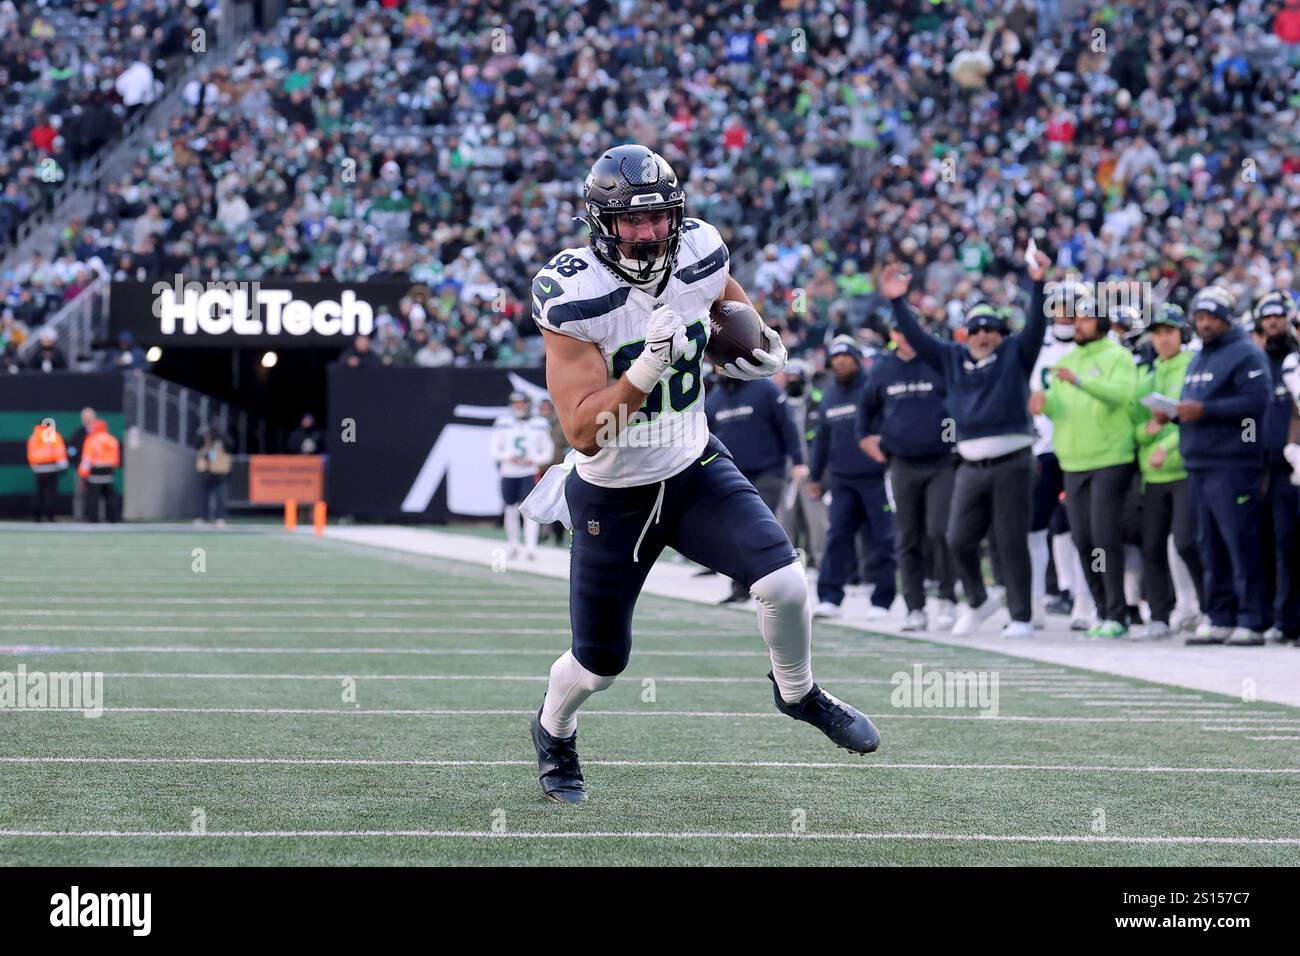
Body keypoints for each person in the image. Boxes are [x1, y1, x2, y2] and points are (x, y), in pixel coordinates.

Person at [528, 145, 878, 802]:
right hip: (613, 488)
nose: (650, 232)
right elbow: (581, 428)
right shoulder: (572, 293)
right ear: (600, 223)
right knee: (600, 664)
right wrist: (646, 368)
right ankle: (554, 729)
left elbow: (726, 302)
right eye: (633, 222)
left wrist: (761, 342)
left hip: (692, 464)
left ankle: (798, 693)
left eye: (660, 217)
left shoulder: (699, 249)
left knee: (787, 585)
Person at [883, 251, 1050, 638]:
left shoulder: (1014, 353)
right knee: (955, 538)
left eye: (990, 328)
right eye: (975, 330)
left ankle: (1021, 615)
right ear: (964, 334)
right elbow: (918, 339)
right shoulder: (953, 358)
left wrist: (1039, 283)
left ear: (1001, 332)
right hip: (969, 464)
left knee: (1009, 541)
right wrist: (896, 300)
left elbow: (1036, 326)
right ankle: (978, 600)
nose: (982, 335)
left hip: (1012, 460)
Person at [1033, 300, 1139, 637]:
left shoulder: (1118, 356)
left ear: (1103, 323)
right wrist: (1044, 405)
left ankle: (1118, 613)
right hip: (1073, 462)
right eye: (1076, 319)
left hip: (1110, 458)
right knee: (1083, 537)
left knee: (1104, 536)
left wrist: (1080, 381)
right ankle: (1102, 608)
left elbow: (1121, 396)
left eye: (1085, 319)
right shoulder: (1067, 360)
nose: (1077, 324)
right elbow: (1063, 410)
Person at [1179, 287, 1271, 646]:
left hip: (1233, 463)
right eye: (1200, 317)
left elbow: (1256, 402)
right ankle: (1220, 615)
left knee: (1240, 541)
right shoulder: (1199, 357)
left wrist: (1204, 411)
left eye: (1211, 317)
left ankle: (1252, 618)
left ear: (1226, 318)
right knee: (1209, 544)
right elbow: (1199, 404)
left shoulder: (1245, 353)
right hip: (1199, 462)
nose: (1204, 324)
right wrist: (1175, 415)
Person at [856, 321, 956, 631]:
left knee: (940, 532)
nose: (904, 335)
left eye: (909, 329)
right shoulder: (883, 368)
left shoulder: (939, 360)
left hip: (942, 461)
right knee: (907, 536)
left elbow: (963, 398)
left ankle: (948, 598)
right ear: (893, 336)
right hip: (901, 463)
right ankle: (915, 607)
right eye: (898, 330)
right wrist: (865, 439)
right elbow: (865, 412)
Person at [807, 336, 897, 620]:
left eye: (846, 356)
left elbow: (890, 423)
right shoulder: (830, 394)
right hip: (842, 479)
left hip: (875, 476)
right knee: (837, 538)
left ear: (858, 359)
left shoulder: (872, 387)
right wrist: (815, 476)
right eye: (835, 358)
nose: (840, 361)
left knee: (882, 539)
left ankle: (882, 600)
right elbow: (822, 438)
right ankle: (830, 597)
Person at [1131, 305, 1204, 639]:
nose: (1162, 339)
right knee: (1153, 546)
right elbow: (1133, 427)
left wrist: (1166, 445)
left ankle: (1205, 607)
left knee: (1188, 542)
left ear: (1182, 335)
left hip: (1184, 468)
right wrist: (1147, 435)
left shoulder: (1193, 368)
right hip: (1153, 474)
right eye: (1157, 333)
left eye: (1169, 332)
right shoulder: (1147, 376)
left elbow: (1193, 419)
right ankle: (1160, 614)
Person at [705, 364, 806, 604]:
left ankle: (761, 584)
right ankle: (743, 586)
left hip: (768, 471)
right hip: (731, 475)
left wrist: (799, 461)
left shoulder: (766, 389)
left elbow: (788, 426)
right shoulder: (714, 399)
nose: (721, 368)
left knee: (756, 528)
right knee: (734, 531)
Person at [1028, 286, 1094, 631]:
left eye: (1072, 307)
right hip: (1044, 447)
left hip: (1084, 447)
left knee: (1082, 527)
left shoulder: (1096, 351)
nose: (1065, 314)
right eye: (1059, 307)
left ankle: (1084, 600)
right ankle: (1034, 601)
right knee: (1035, 525)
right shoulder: (1036, 348)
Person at [1251, 290, 1300, 643]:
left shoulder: (1294, 363)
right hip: (1262, 468)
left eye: (1280, 317)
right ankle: (1274, 616)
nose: (1274, 323)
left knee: (1288, 544)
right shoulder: (1254, 363)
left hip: (1289, 466)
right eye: (1268, 318)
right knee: (1269, 543)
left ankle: (1287, 618)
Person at [774, 359, 827, 571]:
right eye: (790, 377)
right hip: (785, 473)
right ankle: (788, 564)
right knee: (785, 522)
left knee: (817, 523)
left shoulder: (817, 401)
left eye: (797, 378)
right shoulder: (779, 402)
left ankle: (822, 562)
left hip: (811, 472)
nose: (793, 381)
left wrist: (816, 470)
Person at [489, 392, 554, 560]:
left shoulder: (539, 423)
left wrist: (534, 459)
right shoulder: (503, 422)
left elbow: (548, 451)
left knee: (529, 510)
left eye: (521, 403)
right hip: (509, 471)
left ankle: (531, 547)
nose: (519, 406)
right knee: (510, 509)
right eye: (516, 403)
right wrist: (508, 456)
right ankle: (513, 544)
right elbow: (493, 450)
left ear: (527, 404)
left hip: (528, 472)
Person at [79, 418, 121, 522]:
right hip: (109, 472)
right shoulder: (112, 439)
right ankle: (113, 519)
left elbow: (87, 460)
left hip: (95, 473)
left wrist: (83, 475)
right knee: (110, 497)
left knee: (93, 498)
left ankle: (93, 520)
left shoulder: (91, 440)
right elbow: (116, 459)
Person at [26, 418, 67, 521]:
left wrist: (34, 466)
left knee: (39, 493)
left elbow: (30, 453)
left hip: (38, 468)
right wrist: (63, 466)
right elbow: (59, 451)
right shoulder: (54, 435)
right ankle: (50, 517)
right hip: (51, 468)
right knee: (50, 493)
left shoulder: (33, 437)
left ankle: (36, 517)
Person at [194, 425, 234, 526]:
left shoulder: (223, 440)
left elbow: (231, 446)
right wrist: (203, 436)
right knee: (202, 497)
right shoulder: (203, 439)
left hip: (219, 473)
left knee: (220, 497)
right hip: (205, 472)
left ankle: (220, 518)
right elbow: (196, 445)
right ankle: (202, 517)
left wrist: (220, 437)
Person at [66, 406, 95, 520]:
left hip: (96, 470)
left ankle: (96, 517)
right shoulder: (77, 433)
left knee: (97, 495)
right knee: (79, 495)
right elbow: (71, 450)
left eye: (90, 418)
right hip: (80, 470)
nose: (87, 420)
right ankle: (78, 518)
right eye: (85, 418)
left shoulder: (98, 434)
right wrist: (76, 462)